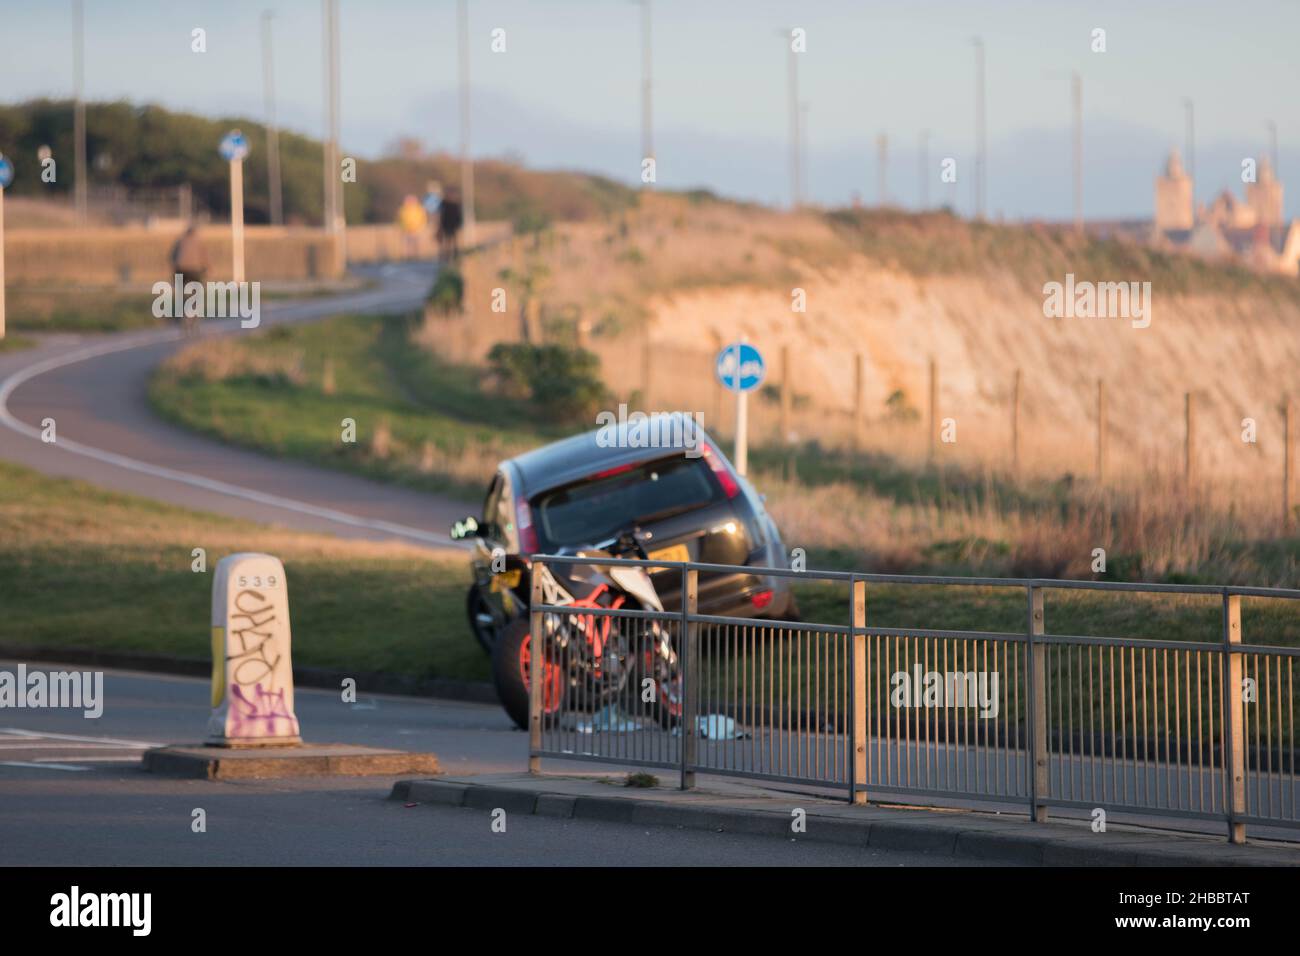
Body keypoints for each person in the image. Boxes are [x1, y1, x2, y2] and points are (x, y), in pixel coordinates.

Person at [169, 223, 209, 337]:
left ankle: (182, 316)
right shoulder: (198, 242)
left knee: (181, 295)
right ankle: (194, 318)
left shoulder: (179, 242)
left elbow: (172, 257)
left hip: (180, 270)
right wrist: (206, 269)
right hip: (194, 271)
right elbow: (204, 257)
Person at [437, 186, 464, 261]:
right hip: (448, 224)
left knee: (451, 241)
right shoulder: (450, 203)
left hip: (450, 224)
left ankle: (451, 255)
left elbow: (458, 214)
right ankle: (450, 255)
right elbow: (459, 214)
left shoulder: (447, 203)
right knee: (450, 241)